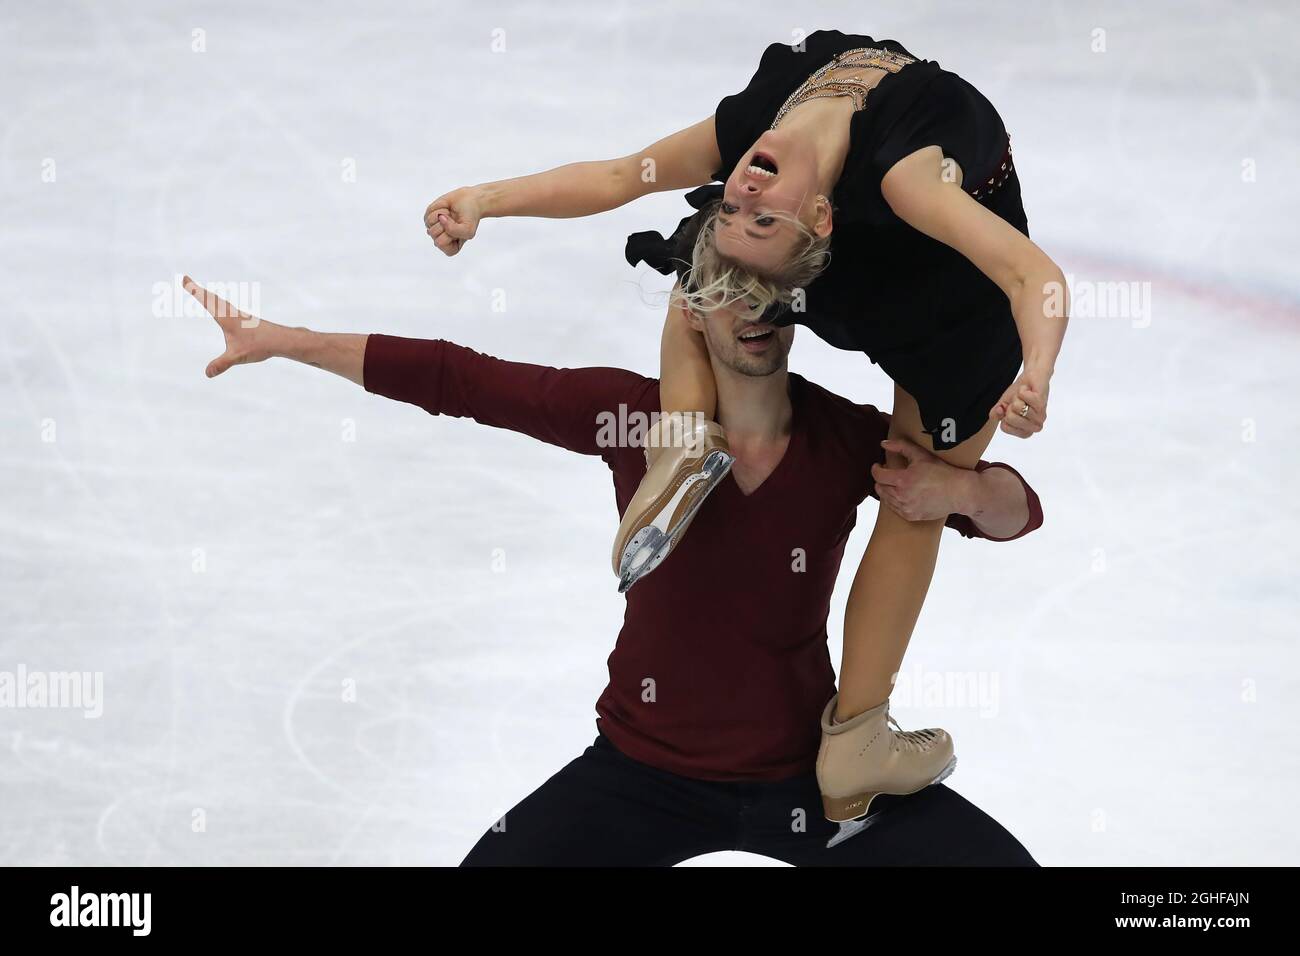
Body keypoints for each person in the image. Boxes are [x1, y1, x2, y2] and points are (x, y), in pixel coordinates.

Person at [422, 29, 1068, 833]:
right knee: (708, 261)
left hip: (955, 311)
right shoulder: (836, 161)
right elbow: (627, 176)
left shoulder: (840, 155)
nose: (742, 191)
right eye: (741, 200)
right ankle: (688, 445)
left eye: (743, 200)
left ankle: (855, 738)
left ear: (823, 214)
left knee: (914, 486)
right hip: (829, 258)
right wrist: (485, 201)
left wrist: (1033, 368)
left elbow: (1023, 277)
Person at [180, 275, 1043, 865]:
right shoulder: (630, 419)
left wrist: (955, 487)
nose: (751, 313)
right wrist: (288, 340)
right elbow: (463, 378)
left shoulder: (844, 437)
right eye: (725, 295)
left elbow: (1016, 514)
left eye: (768, 298)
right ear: (691, 313)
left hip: (811, 777)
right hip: (643, 771)